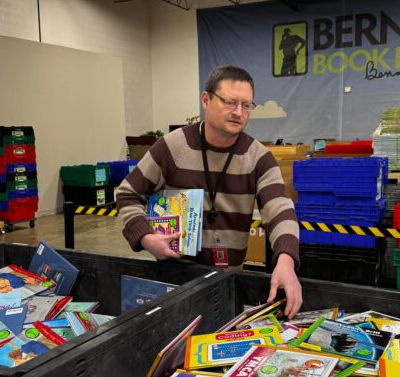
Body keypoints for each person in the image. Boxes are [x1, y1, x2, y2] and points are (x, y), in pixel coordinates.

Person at [116, 64, 303, 317]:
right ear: (206, 99)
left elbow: (280, 209)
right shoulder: (171, 148)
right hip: (175, 279)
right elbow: (128, 194)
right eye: (230, 102)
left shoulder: (258, 157)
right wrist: (146, 238)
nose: (239, 112)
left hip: (229, 282)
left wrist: (286, 260)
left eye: (246, 105)